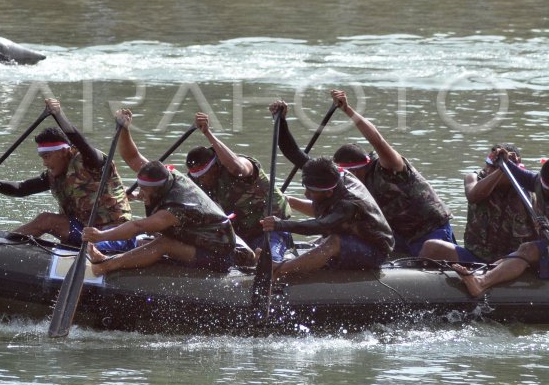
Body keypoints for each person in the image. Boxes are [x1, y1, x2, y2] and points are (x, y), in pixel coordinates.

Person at [82, 110, 237, 277]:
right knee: (146, 239)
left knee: (163, 243)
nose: (140, 192)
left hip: (217, 255)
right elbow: (132, 157)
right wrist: (124, 128)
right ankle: (111, 257)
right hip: (196, 237)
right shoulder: (165, 174)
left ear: (159, 190)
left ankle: (105, 266)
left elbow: (138, 226)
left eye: (145, 190)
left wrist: (100, 235)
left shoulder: (176, 209)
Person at [0, 98, 131, 248]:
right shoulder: (53, 175)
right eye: (42, 157)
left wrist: (58, 115)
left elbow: (81, 142)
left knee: (46, 220)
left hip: (114, 235)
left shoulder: (91, 161)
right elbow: (21, 188)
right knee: (49, 221)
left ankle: (2, 245)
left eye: (47, 156)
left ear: (64, 151)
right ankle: (6, 245)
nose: (44, 163)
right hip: (86, 234)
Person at [319, 90, 454, 256]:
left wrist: (348, 110)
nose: (342, 180)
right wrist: (287, 201)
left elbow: (377, 139)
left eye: (345, 174)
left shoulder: (389, 167)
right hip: (400, 236)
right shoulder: (353, 188)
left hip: (430, 232)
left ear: (356, 169)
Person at [453, 153, 549, 296]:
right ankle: (482, 275)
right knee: (522, 249)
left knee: (528, 248)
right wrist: (505, 160)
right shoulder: (540, 182)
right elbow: (518, 175)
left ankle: (481, 283)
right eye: (548, 191)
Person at [260, 157, 394, 279]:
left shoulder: (348, 205)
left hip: (375, 251)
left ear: (329, 192)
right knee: (311, 238)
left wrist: (280, 224)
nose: (306, 194)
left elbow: (320, 225)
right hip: (351, 235)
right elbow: (292, 152)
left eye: (311, 191)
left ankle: (279, 270)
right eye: (305, 188)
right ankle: (272, 260)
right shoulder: (328, 173)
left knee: (333, 241)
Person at [184, 112, 292, 262]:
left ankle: (272, 264)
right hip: (238, 234)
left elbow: (237, 168)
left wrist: (207, 133)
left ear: (215, 167)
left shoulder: (238, 166)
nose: (200, 180)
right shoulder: (197, 180)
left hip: (271, 229)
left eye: (203, 175)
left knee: (270, 260)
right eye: (196, 177)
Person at [420, 144, 537, 264]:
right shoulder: (474, 178)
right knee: (431, 247)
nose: (488, 170)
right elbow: (473, 196)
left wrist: (508, 168)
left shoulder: (528, 189)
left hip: (509, 261)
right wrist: (501, 169)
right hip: (474, 257)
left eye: (494, 167)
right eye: (488, 165)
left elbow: (537, 233)